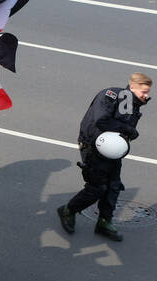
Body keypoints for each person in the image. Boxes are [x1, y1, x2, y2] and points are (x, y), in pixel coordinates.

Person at [57, 73, 151, 242]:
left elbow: (123, 127)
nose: (147, 96)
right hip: (93, 146)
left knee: (113, 186)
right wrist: (130, 132)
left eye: (147, 92)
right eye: (143, 92)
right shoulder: (112, 95)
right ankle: (68, 210)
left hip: (113, 149)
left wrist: (127, 135)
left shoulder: (131, 102)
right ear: (132, 87)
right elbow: (102, 121)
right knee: (97, 187)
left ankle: (104, 221)